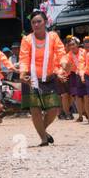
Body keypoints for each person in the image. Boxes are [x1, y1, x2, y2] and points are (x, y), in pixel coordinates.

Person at [18, 11, 65, 146]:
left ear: (45, 22)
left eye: (39, 21)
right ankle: (44, 139)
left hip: (50, 78)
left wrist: (63, 65)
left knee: (54, 109)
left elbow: (60, 53)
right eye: (33, 22)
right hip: (31, 79)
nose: (36, 24)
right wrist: (22, 73)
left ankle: (42, 131)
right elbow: (24, 58)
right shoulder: (27, 39)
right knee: (35, 110)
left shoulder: (53, 37)